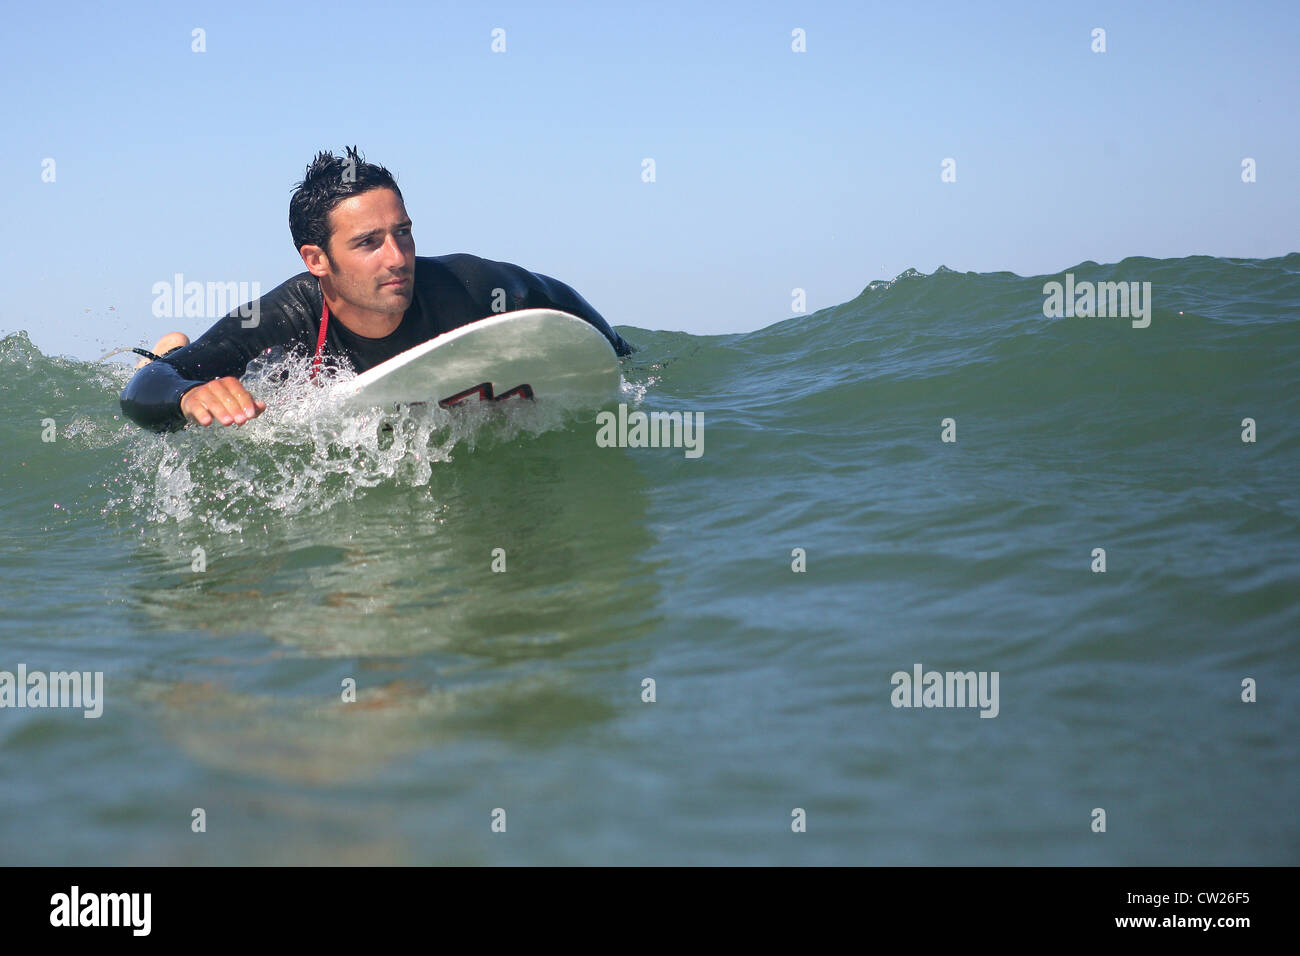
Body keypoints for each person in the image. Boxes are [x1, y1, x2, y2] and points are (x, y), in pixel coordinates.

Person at [120, 147, 632, 432]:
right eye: (369, 242)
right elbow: (143, 391)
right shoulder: (283, 315)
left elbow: (565, 307)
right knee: (191, 364)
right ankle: (170, 339)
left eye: (403, 232)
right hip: (288, 372)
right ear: (317, 259)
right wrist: (186, 393)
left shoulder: (468, 286)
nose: (397, 258)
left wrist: (621, 359)